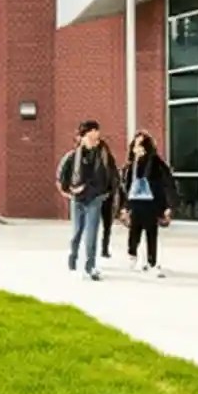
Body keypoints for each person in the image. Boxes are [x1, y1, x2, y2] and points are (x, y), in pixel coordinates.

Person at [120, 131, 178, 277]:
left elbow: (167, 183)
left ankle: (152, 262)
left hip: (151, 203)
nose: (137, 149)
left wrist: (168, 206)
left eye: (140, 145)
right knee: (134, 231)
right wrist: (124, 207)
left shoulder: (156, 163)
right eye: (135, 145)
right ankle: (132, 256)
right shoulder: (130, 166)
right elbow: (125, 187)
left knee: (151, 233)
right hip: (135, 203)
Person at [64, 120, 115, 281]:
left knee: (91, 234)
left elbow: (112, 175)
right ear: (84, 136)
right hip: (78, 199)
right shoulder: (73, 156)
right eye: (92, 132)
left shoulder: (104, 154)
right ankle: (73, 261)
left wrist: (107, 192)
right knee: (77, 232)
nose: (96, 134)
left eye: (97, 131)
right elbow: (62, 175)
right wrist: (70, 190)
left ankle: (90, 266)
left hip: (94, 198)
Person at [98, 137, 122, 259]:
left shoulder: (110, 162)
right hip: (95, 197)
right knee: (92, 224)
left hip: (108, 197)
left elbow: (116, 178)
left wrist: (113, 191)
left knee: (107, 225)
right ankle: (92, 248)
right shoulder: (94, 163)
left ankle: (104, 248)